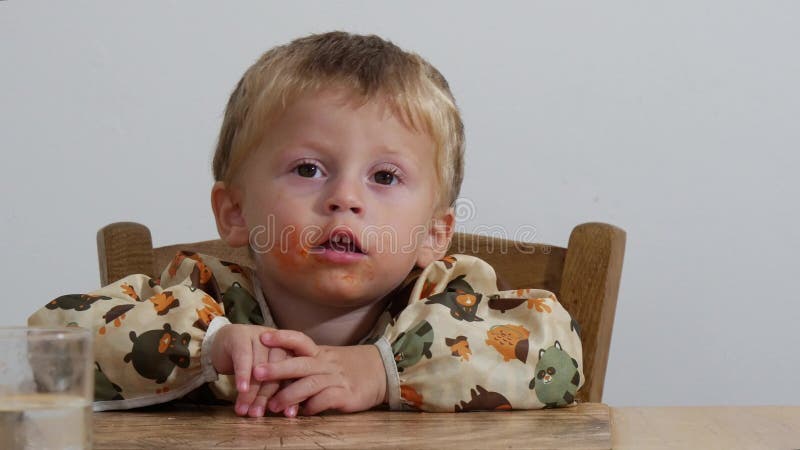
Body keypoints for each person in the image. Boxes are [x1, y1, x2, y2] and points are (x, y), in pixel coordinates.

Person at [29, 31, 583, 417]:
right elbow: (49, 340)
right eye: (309, 169)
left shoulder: (447, 302)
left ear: (433, 235)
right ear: (236, 212)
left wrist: (379, 370)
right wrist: (211, 347)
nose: (345, 198)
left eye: (385, 177)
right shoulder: (205, 296)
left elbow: (558, 344)